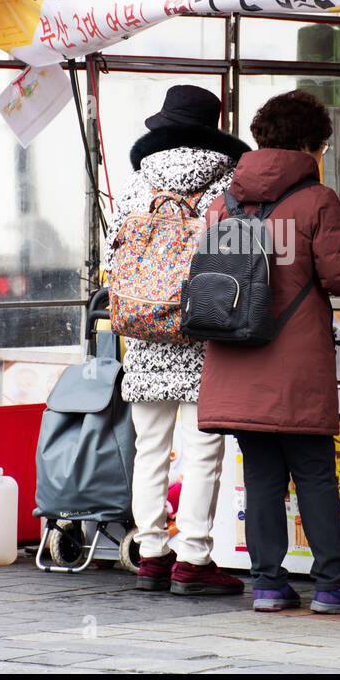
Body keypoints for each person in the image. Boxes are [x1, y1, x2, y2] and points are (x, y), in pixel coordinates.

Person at [197, 90, 340, 614]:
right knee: (312, 471)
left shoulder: (226, 202)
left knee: (262, 472)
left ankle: (267, 583)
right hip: (295, 361)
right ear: (313, 144)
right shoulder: (316, 200)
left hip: (237, 357)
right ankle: (332, 581)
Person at [107, 84, 251, 596]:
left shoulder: (134, 186)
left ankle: (150, 553)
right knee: (202, 448)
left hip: (145, 333)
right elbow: (241, 262)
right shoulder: (230, 188)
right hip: (202, 331)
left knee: (150, 449)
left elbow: (113, 260)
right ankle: (193, 557)